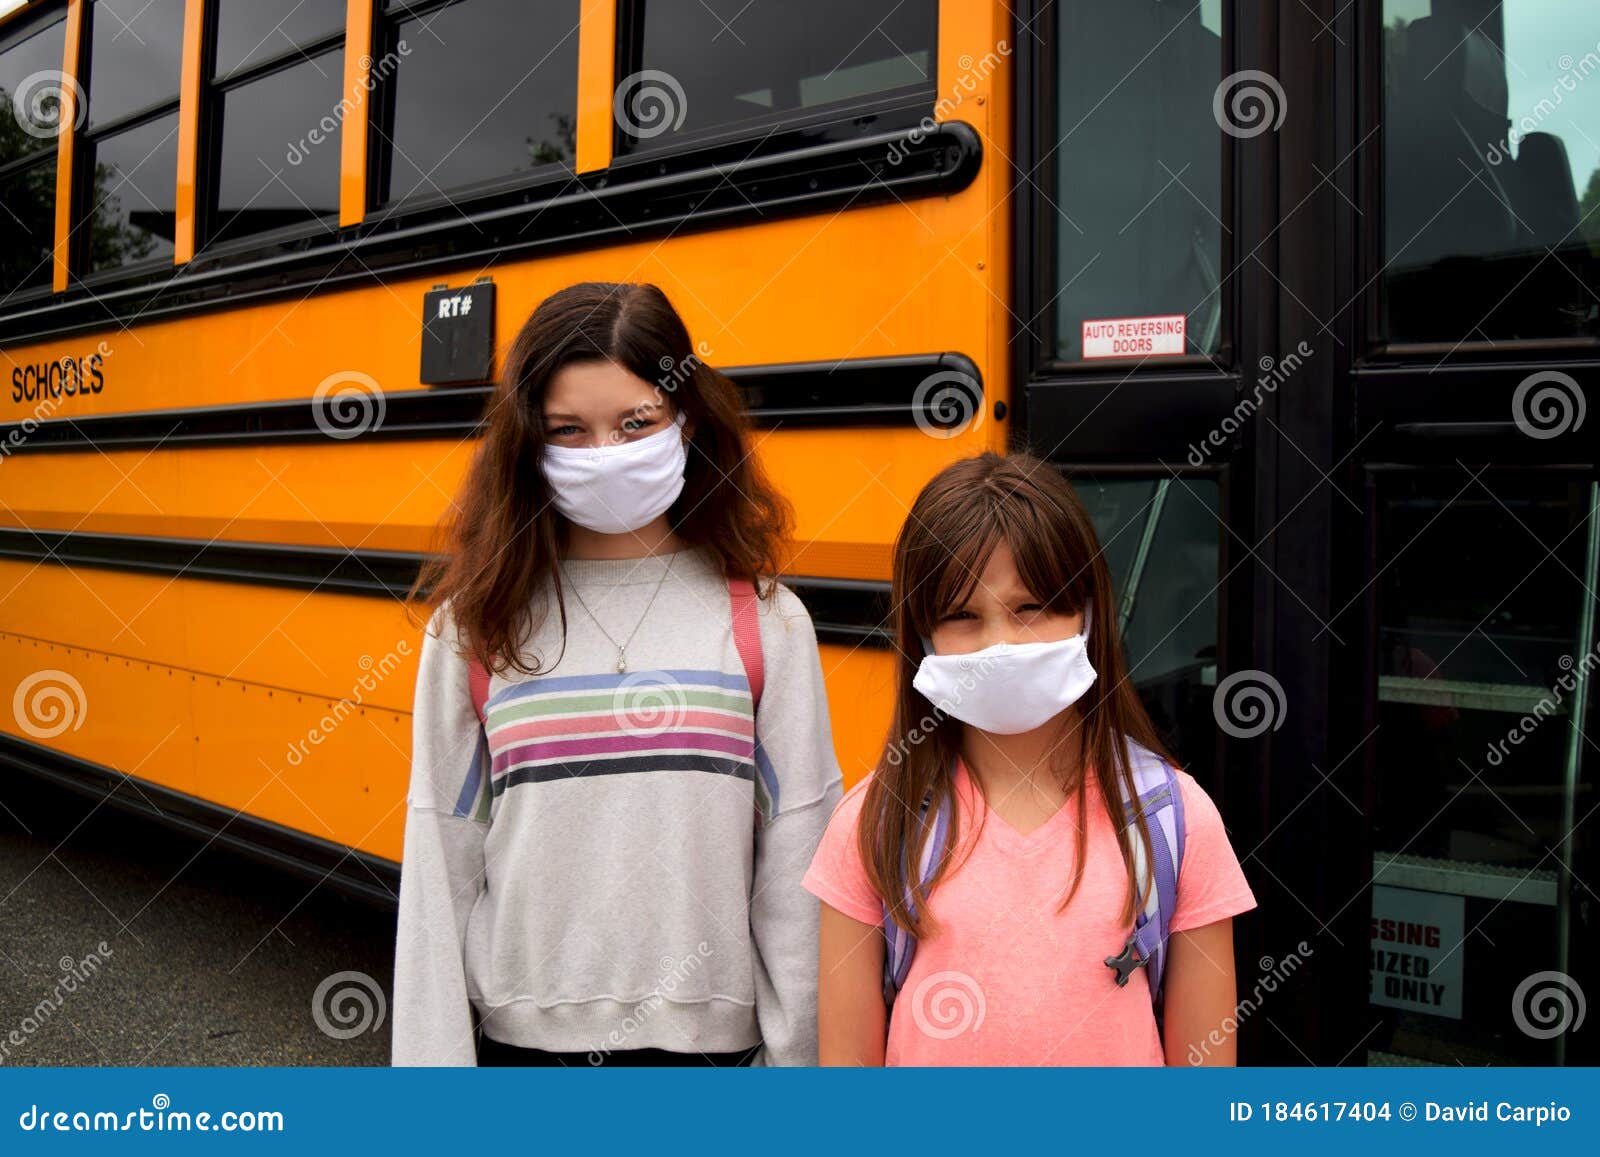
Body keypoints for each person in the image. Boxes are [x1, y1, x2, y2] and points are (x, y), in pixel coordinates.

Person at [393, 281, 841, 1066]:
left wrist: (798, 1071)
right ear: (528, 444)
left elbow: (796, 871)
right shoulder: (472, 628)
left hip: (712, 1067)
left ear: (686, 419)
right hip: (523, 1059)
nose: (606, 454)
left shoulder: (767, 622)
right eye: (569, 429)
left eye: (636, 422)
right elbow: (439, 865)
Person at [804, 452, 1257, 1065]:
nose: (1001, 643)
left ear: (1089, 613)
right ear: (922, 635)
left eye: (1033, 608)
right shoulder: (871, 827)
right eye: (962, 615)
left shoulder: (1175, 819)